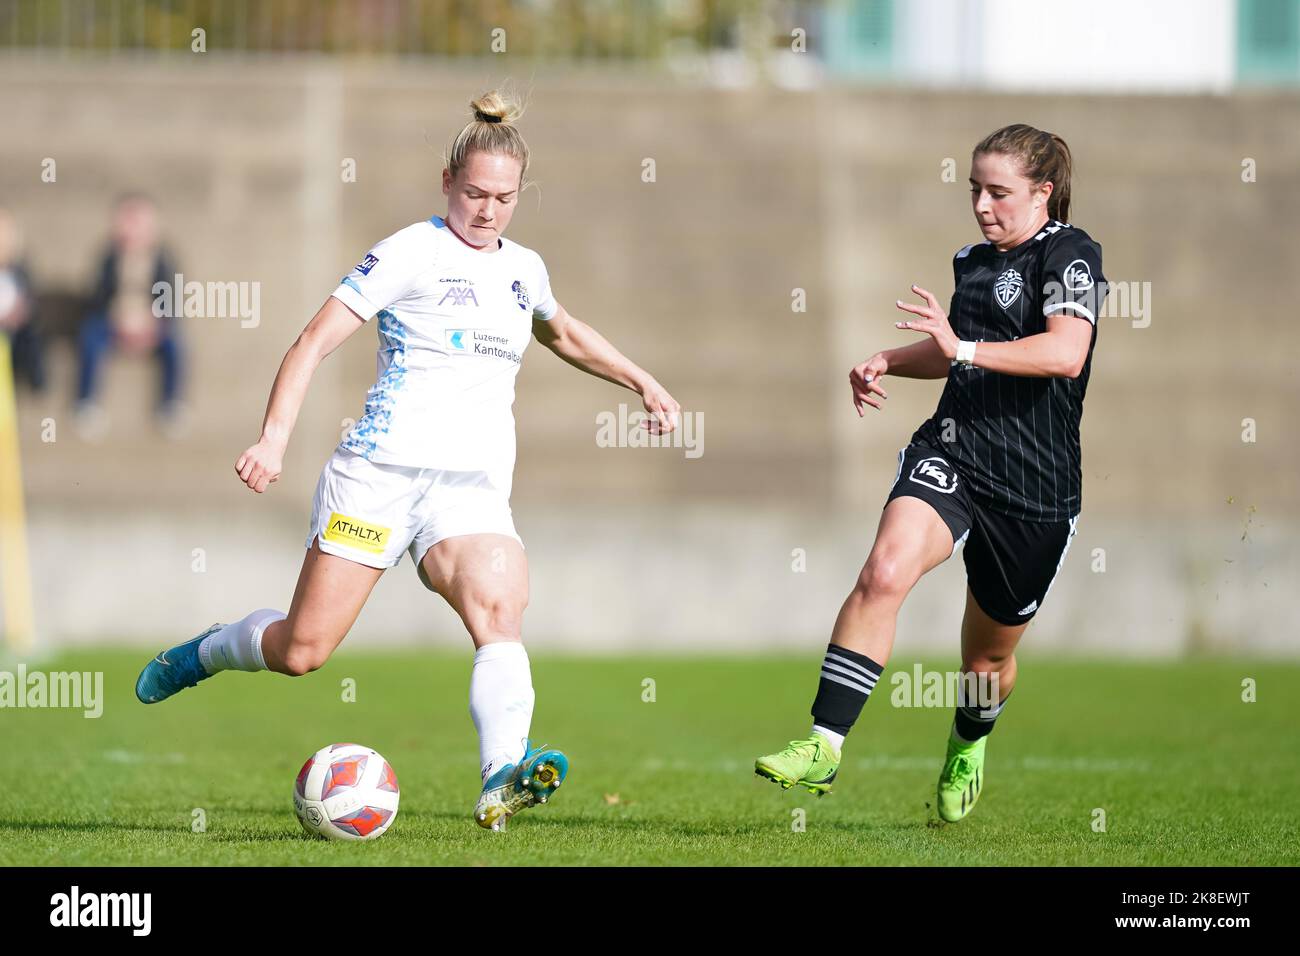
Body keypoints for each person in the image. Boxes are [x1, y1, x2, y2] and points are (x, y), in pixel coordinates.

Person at [134, 91, 682, 832]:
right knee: (303, 650)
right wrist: (273, 438)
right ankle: (207, 652)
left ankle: (500, 776)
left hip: (469, 490)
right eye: (475, 193)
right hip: (379, 478)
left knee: (500, 611)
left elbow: (565, 332)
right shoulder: (409, 252)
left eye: (504, 198)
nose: (488, 211)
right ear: (448, 182)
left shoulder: (525, 269)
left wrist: (642, 381)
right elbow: (313, 342)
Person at [755, 124, 1106, 823]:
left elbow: (1065, 354)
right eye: (974, 189)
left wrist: (963, 348)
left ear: (1042, 192)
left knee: (985, 665)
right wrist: (887, 359)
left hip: (1035, 489)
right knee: (884, 571)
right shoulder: (971, 260)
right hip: (953, 452)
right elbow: (956, 351)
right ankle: (824, 743)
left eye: (998, 192)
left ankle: (968, 743)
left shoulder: (1070, 253)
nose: (981, 205)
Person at [76, 193, 185, 439]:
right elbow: (97, 297)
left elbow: (172, 299)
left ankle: (171, 403)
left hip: (150, 322)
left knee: (175, 343)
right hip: (114, 321)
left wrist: (151, 322)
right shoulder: (109, 258)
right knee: (90, 336)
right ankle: (86, 401)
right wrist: (119, 317)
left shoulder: (163, 259)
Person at [0, 208, 46, 393]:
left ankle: (36, 382)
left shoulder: (20, 269)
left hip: (15, 328)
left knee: (31, 334)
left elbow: (30, 300)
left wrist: (19, 314)